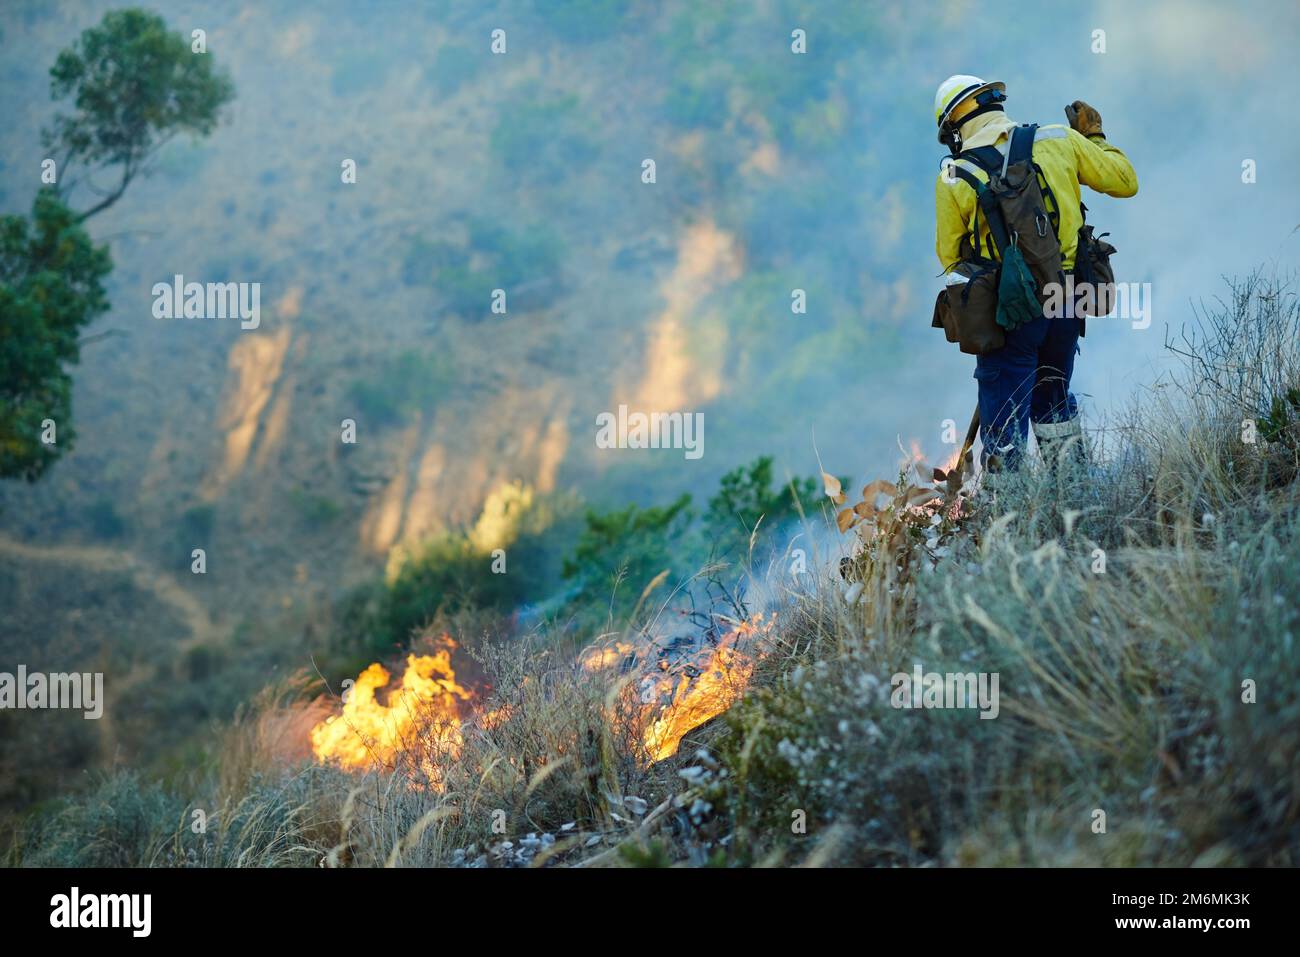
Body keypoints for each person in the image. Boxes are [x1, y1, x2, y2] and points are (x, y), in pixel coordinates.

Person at [933, 75, 1138, 470]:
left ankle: (1008, 524)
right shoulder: (1060, 138)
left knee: (1004, 423)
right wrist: (1093, 138)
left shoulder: (954, 176)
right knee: (1054, 401)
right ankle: (1078, 500)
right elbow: (1125, 182)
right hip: (1066, 301)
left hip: (1011, 313)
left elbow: (950, 256)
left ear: (954, 125)